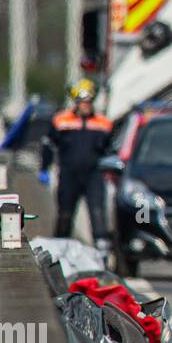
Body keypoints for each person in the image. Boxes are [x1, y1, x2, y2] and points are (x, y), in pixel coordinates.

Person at [40, 79, 113, 256]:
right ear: (76, 102)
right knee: (65, 216)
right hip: (69, 174)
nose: (85, 106)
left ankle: (102, 256)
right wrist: (44, 168)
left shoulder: (103, 123)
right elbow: (48, 144)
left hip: (93, 176)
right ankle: (58, 254)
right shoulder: (61, 120)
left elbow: (110, 150)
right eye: (82, 102)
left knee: (98, 215)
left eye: (88, 102)